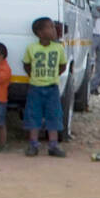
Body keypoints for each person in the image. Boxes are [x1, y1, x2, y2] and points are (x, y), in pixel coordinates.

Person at [23, 16, 68, 157]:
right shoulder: (32, 48)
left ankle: (53, 145)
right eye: (51, 27)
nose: (54, 30)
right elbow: (27, 65)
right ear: (40, 33)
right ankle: (33, 144)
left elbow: (62, 66)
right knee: (33, 115)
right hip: (35, 88)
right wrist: (36, 77)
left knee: (54, 115)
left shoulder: (59, 48)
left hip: (52, 88)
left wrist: (52, 76)